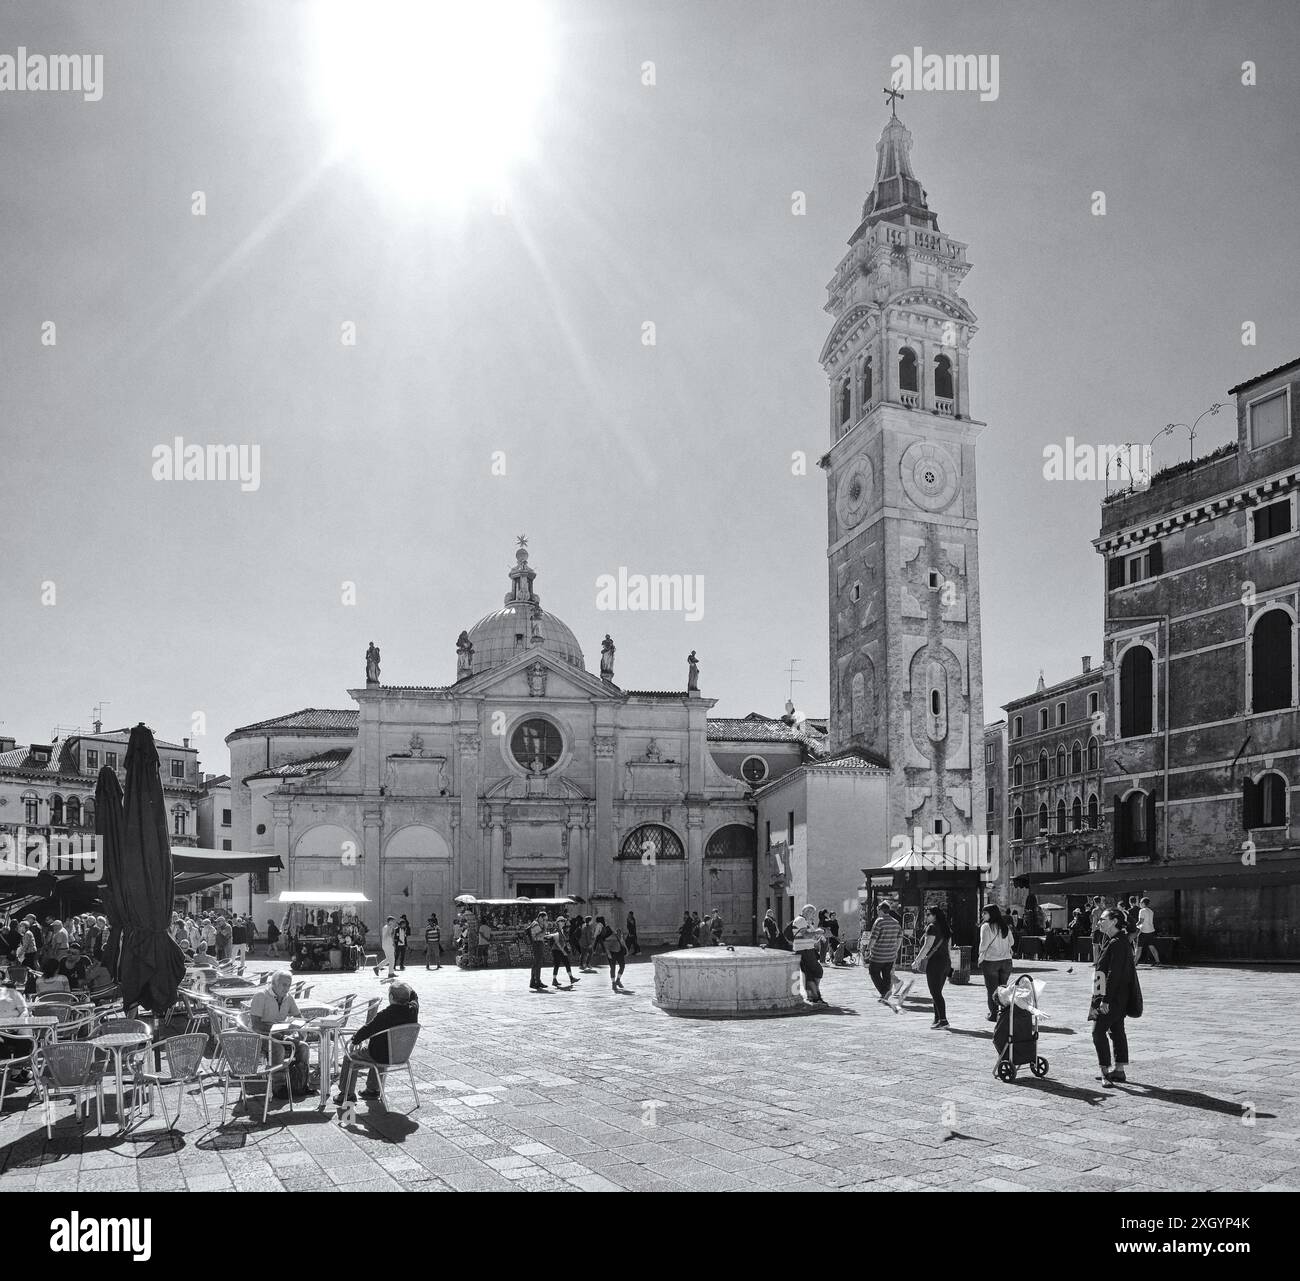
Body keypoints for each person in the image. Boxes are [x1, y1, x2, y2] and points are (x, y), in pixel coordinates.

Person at [334, 981, 420, 1105]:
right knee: (382, 1048)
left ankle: (346, 1094)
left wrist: (355, 1040)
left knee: (350, 1058)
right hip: (401, 1054)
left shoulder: (385, 1015)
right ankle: (373, 1089)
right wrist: (408, 989)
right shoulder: (413, 1009)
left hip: (379, 1055)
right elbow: (415, 997)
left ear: (391, 997)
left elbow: (368, 1029)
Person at [1091, 907, 1138, 1086]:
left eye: (1103, 919)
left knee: (1098, 1032)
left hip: (1111, 996)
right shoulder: (1115, 940)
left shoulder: (1117, 943)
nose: (1099, 922)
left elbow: (1114, 973)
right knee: (1117, 1031)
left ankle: (1104, 1071)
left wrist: (1105, 999)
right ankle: (1119, 1070)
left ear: (1114, 921)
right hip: (1116, 995)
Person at [248, 971, 311, 1089]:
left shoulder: (288, 998)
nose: (286, 988)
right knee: (278, 1049)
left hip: (280, 1034)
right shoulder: (261, 996)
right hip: (260, 1036)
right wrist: (276, 1031)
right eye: (284, 985)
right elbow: (256, 1025)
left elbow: (298, 1016)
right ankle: (279, 1087)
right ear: (274, 984)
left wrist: (301, 1027)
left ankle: (301, 1084)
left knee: (303, 1046)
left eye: (289, 985)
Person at [911, 906, 953, 1029]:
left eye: (928, 914)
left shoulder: (932, 927)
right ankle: (937, 1018)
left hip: (935, 963)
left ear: (934, 915)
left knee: (935, 993)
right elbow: (949, 947)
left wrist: (917, 960)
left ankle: (944, 1020)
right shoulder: (945, 928)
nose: (927, 916)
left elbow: (927, 946)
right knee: (937, 992)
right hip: (945, 961)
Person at [977, 905, 1014, 1022]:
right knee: (1003, 988)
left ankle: (993, 1014)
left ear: (991, 914)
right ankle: (1004, 1013)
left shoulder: (986, 927)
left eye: (984, 913)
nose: (983, 915)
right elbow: (1012, 942)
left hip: (991, 961)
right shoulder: (1005, 926)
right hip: (1006, 961)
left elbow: (983, 945)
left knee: (992, 989)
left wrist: (980, 954)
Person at [865, 902, 903, 1009]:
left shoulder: (879, 922)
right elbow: (900, 937)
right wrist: (896, 950)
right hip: (890, 954)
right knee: (886, 974)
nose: (877, 912)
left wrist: (868, 950)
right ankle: (884, 994)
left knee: (873, 972)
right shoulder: (895, 922)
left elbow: (873, 938)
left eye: (878, 910)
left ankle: (884, 992)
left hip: (878, 954)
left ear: (881, 910)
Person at [791, 905, 826, 1005]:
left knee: (810, 973)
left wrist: (819, 936)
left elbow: (812, 939)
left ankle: (814, 995)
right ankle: (814, 995)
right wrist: (817, 931)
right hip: (803, 950)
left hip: (808, 949)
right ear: (807, 911)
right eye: (812, 913)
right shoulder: (800, 920)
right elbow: (805, 934)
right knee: (817, 971)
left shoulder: (806, 922)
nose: (813, 915)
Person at [0, 983, 33, 1082]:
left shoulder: (15, 996)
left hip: (16, 1031)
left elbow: (24, 1011)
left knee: (25, 1040)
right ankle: (17, 1070)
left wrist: (17, 1022)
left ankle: (17, 1071)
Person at [596, 917, 627, 991]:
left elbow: (622, 941)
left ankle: (618, 980)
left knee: (622, 966)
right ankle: (613, 983)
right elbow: (606, 946)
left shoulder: (617, 934)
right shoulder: (608, 937)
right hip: (612, 953)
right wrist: (608, 954)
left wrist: (626, 949)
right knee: (613, 968)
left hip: (619, 952)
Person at [527, 910, 553, 993]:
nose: (545, 921)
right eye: (544, 919)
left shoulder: (536, 923)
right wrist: (545, 927)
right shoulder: (535, 924)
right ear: (540, 917)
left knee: (537, 963)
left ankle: (535, 981)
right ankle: (536, 982)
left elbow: (541, 935)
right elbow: (539, 935)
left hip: (538, 943)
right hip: (537, 944)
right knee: (537, 963)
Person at [550, 916, 578, 989]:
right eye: (561, 921)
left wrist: (566, 946)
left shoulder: (562, 930)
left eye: (563, 921)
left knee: (567, 963)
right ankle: (554, 979)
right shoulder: (556, 930)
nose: (563, 922)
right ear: (558, 922)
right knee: (557, 964)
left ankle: (571, 978)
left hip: (561, 949)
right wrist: (563, 951)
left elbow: (564, 941)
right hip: (556, 950)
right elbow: (557, 942)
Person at [1134, 897, 1160, 966]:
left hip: (1143, 931)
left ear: (1143, 903)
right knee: (1152, 947)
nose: (1139, 904)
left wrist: (1134, 925)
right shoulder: (1151, 911)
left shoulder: (1142, 910)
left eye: (1140, 902)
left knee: (1139, 948)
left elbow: (1141, 921)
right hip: (1151, 931)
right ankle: (1158, 961)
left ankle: (1134, 963)